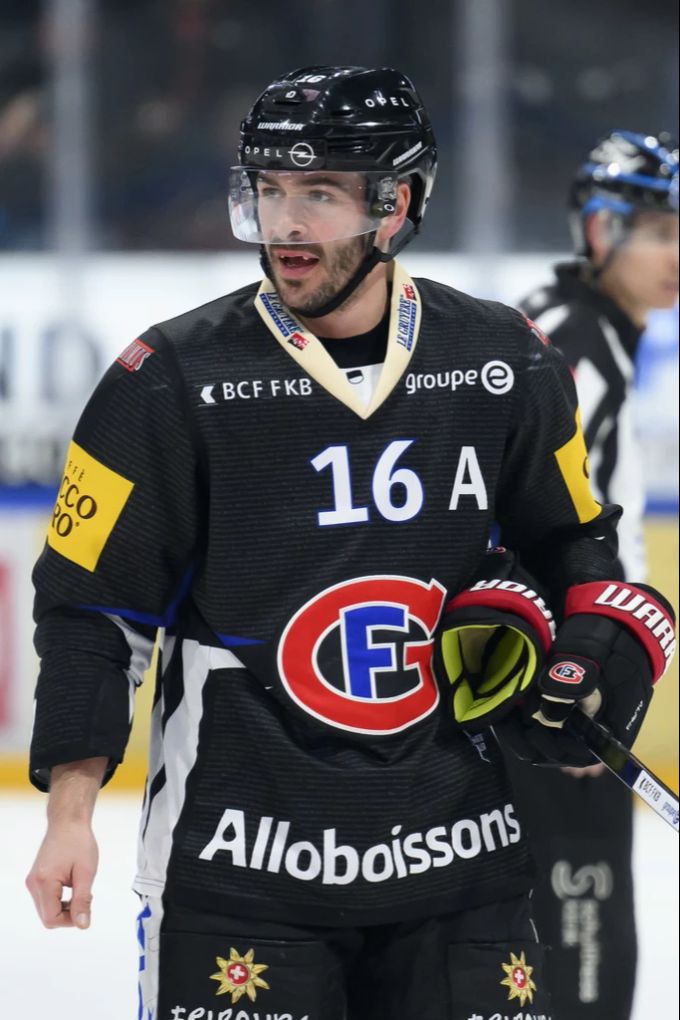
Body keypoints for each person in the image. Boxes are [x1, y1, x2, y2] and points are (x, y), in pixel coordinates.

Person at [24, 69, 674, 1020]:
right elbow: (90, 610)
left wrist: (590, 655)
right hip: (243, 872)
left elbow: (578, 550)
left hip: (459, 868)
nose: (284, 224)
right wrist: (70, 813)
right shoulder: (166, 380)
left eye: (318, 194)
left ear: (395, 203)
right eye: (268, 190)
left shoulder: (505, 361)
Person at [505, 130, 679, 1020]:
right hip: (557, 688)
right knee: (583, 938)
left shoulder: (577, 325)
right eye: (656, 227)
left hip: (549, 673)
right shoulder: (576, 345)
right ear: (600, 230)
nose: (675, 252)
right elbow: (525, 518)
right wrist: (578, 675)